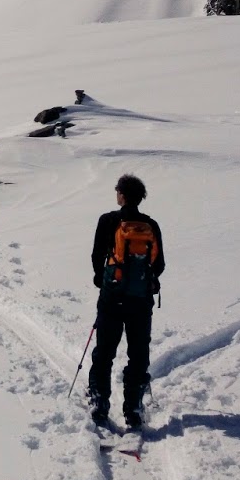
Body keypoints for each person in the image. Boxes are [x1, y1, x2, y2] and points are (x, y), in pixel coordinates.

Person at [87, 174, 164, 428]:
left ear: (121, 195)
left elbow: (97, 256)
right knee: (138, 354)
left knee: (104, 351)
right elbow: (159, 264)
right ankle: (133, 408)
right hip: (140, 301)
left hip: (112, 297)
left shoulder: (108, 220)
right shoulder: (150, 225)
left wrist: (103, 279)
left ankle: (99, 402)